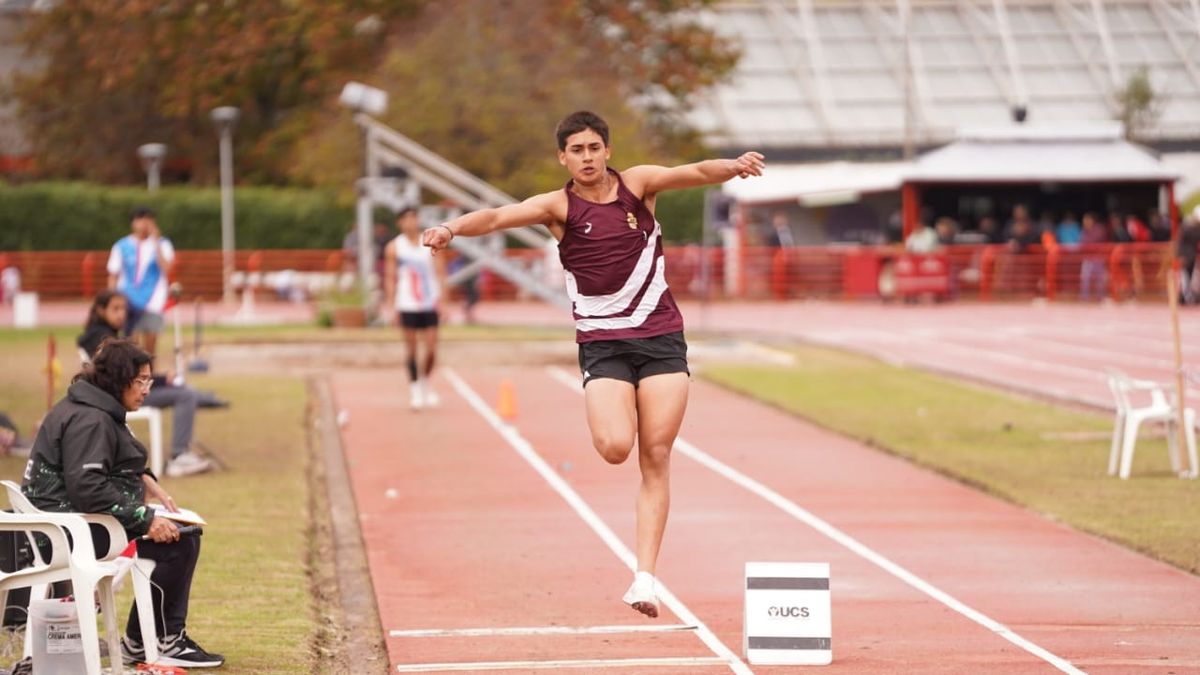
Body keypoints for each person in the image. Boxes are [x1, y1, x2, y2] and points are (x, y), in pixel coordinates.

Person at [422, 110, 765, 618]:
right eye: (576, 150)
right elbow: (496, 217)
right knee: (614, 446)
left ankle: (644, 579)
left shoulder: (639, 185)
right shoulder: (556, 207)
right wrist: (450, 228)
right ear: (563, 157)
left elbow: (692, 172)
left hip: (661, 339)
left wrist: (734, 166)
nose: (587, 157)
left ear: (607, 150)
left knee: (655, 453)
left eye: (594, 148)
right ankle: (640, 555)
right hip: (603, 346)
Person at [21, 338, 224, 668]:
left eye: (149, 380)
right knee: (178, 542)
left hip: (70, 522)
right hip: (67, 532)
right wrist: (145, 518)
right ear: (118, 380)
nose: (146, 389)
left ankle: (148, 640)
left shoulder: (94, 407)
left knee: (183, 533)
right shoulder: (92, 419)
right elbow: (87, 485)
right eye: (140, 380)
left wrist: (145, 478)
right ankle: (153, 641)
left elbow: (103, 461)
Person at [78, 291, 215, 477]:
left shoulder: (107, 335)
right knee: (186, 394)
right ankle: (179, 456)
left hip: (126, 391)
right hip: (120, 397)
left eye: (124, 309)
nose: (121, 314)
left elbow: (129, 374)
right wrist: (159, 380)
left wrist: (159, 379)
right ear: (101, 310)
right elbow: (123, 375)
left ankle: (202, 409)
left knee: (185, 390)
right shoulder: (103, 339)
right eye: (115, 309)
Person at [385, 207, 444, 410]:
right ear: (400, 223)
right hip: (407, 302)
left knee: (431, 348)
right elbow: (390, 278)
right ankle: (415, 388)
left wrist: (444, 301)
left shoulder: (429, 242)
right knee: (411, 348)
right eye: (407, 219)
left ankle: (425, 381)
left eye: (414, 218)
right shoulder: (395, 247)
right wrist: (391, 306)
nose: (411, 222)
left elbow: (440, 272)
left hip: (429, 302)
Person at [107, 207, 175, 358]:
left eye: (148, 219)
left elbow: (167, 268)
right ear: (133, 222)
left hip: (153, 301)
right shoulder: (121, 246)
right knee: (131, 345)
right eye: (140, 219)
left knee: (150, 349)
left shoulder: (163, 244)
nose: (144, 223)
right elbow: (113, 274)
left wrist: (156, 243)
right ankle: (131, 379)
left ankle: (150, 379)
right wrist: (112, 300)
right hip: (128, 301)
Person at [1079, 212, 1108, 301]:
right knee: (1085, 278)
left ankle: (1101, 297)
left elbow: (1098, 239)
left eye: (1087, 220)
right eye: (1084, 221)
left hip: (1098, 258)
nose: (1085, 222)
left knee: (1100, 279)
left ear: (1092, 221)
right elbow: (1082, 243)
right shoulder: (1084, 231)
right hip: (1088, 258)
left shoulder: (1099, 229)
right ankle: (1084, 297)